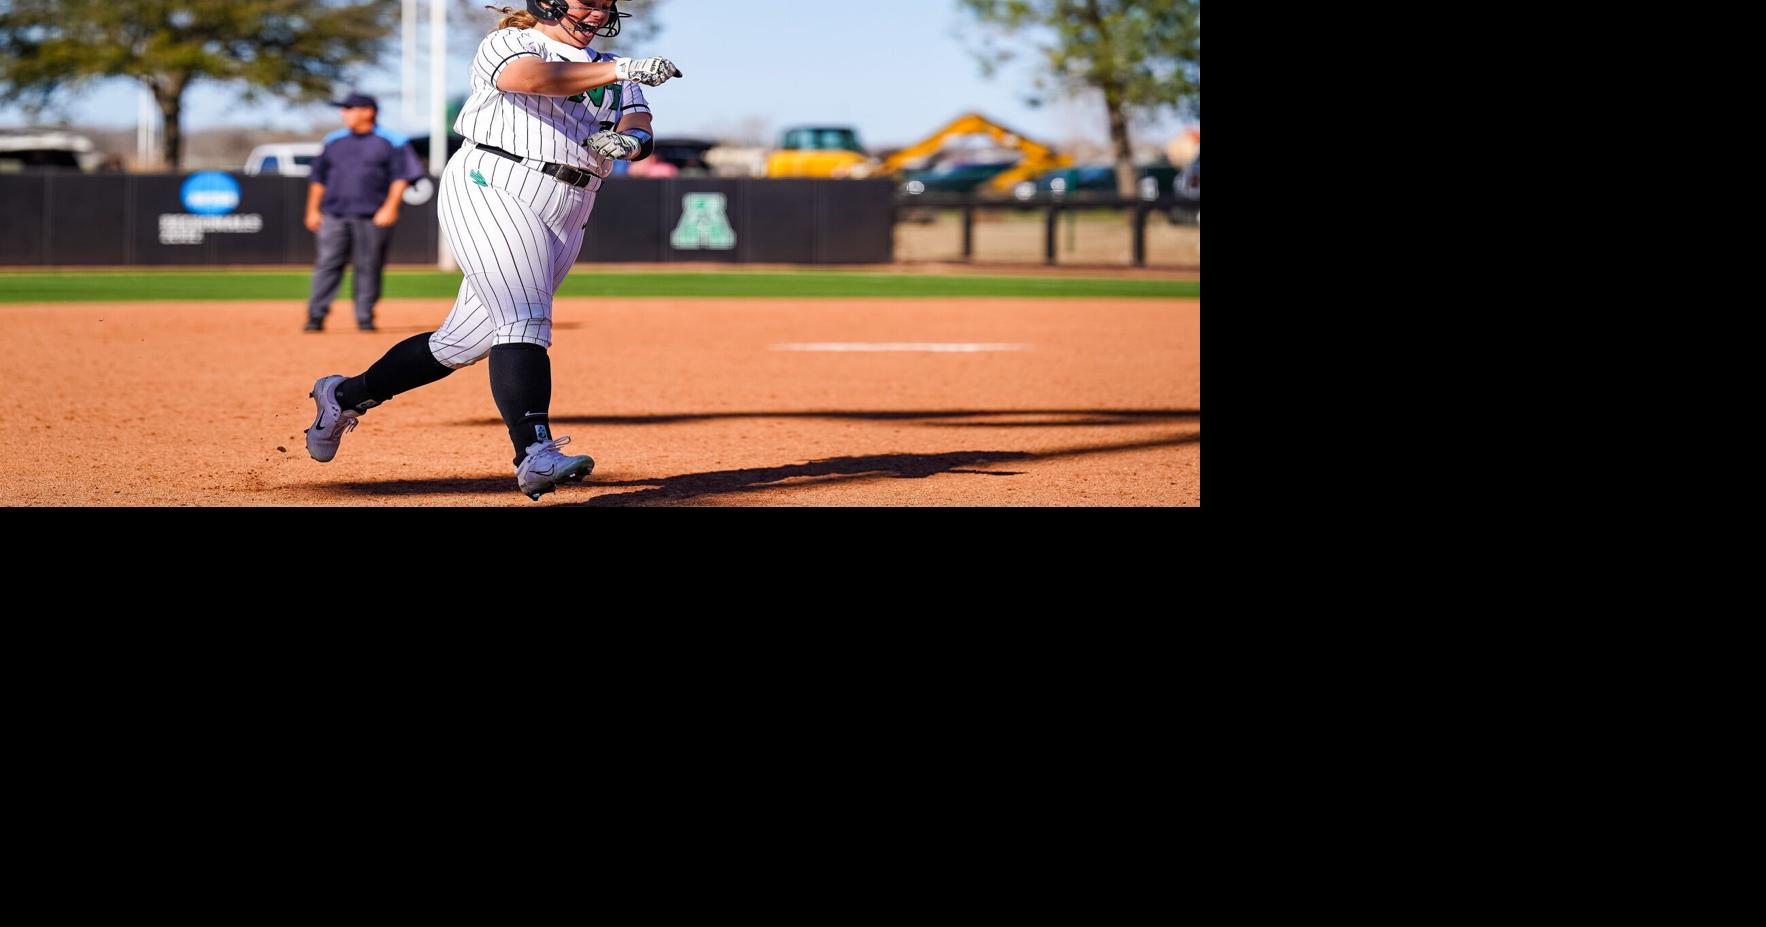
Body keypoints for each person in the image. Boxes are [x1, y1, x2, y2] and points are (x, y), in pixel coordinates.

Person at [301, 0, 680, 500]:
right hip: (495, 179)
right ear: (549, 2)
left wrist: (630, 144)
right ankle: (535, 453)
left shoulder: (615, 69)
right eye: (588, 3)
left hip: (572, 200)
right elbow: (533, 79)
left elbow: (639, 123)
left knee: (461, 343)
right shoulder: (510, 43)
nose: (598, 14)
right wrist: (620, 67)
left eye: (605, 5)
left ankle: (344, 394)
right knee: (524, 319)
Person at [303, 92, 427, 333]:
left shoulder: (392, 140)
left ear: (368, 111)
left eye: (349, 108)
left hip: (373, 215)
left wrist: (390, 207)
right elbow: (318, 178)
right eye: (344, 109)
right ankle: (315, 316)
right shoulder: (333, 140)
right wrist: (312, 210)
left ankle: (364, 316)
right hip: (334, 214)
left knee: (369, 266)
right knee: (327, 264)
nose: (343, 113)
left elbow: (402, 176)